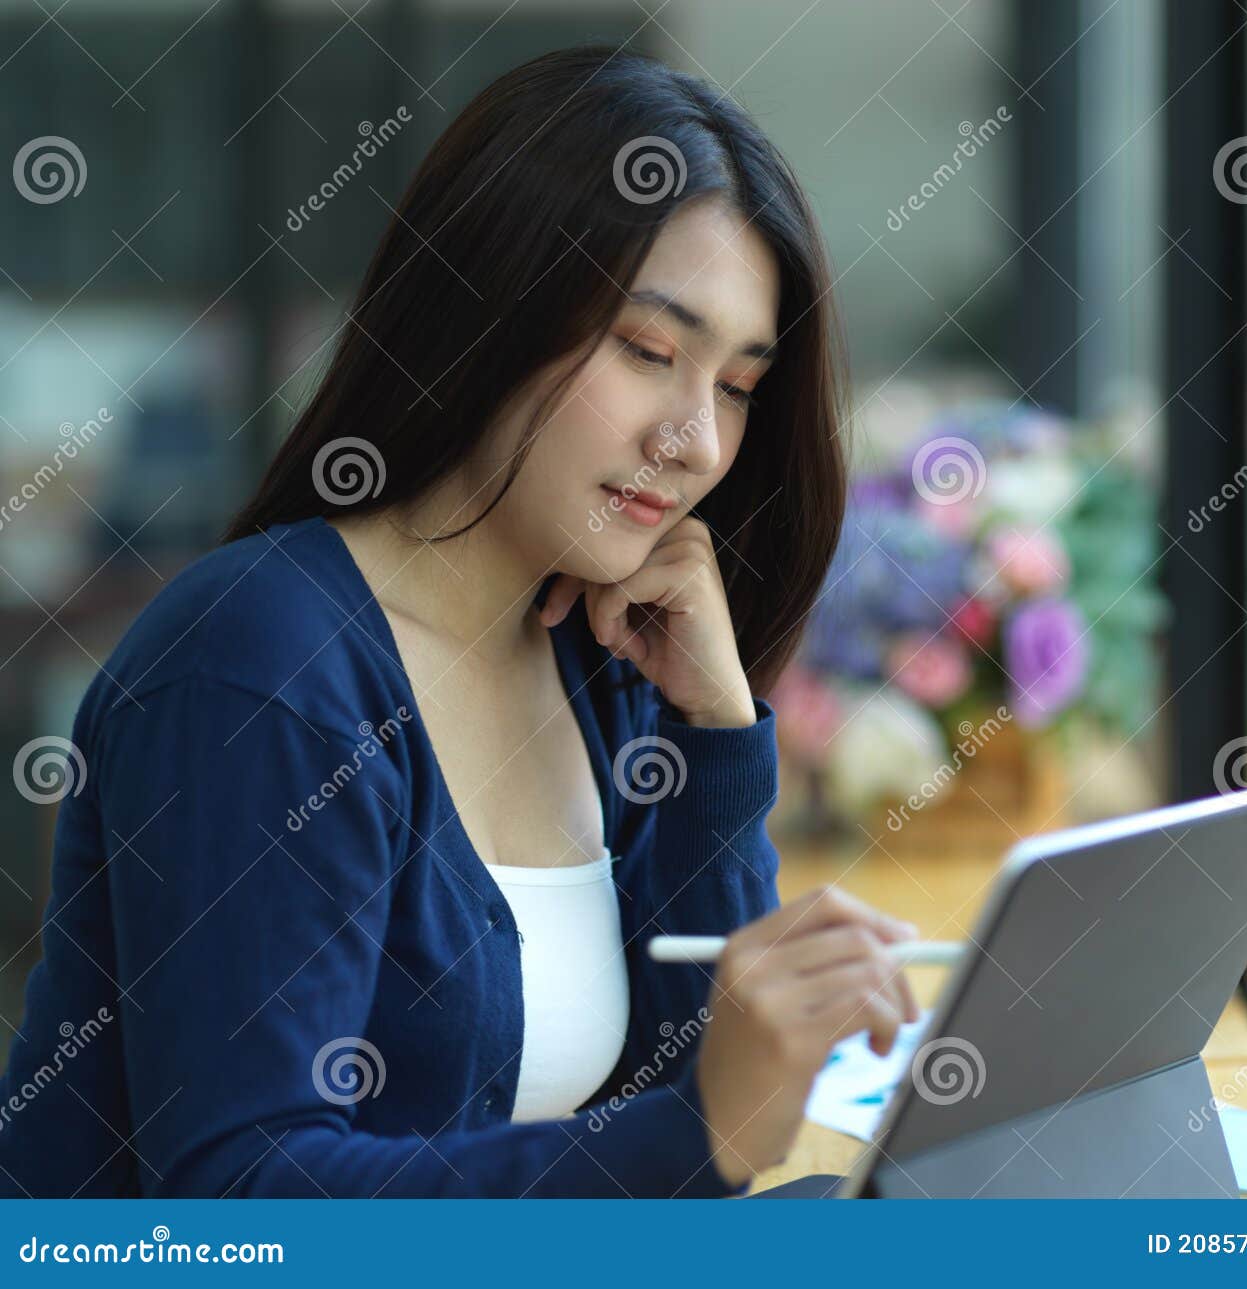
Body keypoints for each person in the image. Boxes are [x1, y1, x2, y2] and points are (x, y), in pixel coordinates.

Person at [0, 45, 918, 1199]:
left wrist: (714, 727)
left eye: (735, 384)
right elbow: (242, 1200)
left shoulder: (602, 658)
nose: (694, 440)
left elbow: (700, 1113)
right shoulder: (257, 663)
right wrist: (701, 1135)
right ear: (491, 306)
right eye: (647, 351)